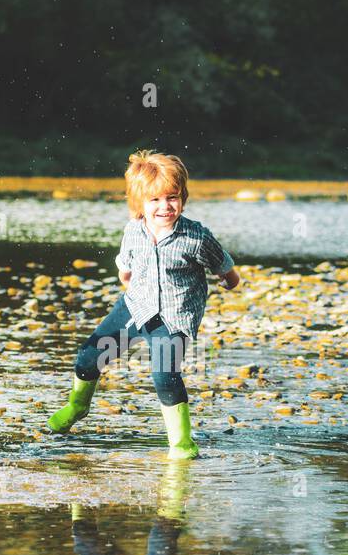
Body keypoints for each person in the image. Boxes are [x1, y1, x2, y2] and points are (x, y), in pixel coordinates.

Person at [46, 151, 241, 459]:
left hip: (173, 318)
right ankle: (76, 407)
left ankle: (182, 445)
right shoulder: (133, 230)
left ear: (183, 197)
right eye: (155, 200)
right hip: (135, 307)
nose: (165, 207)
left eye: (172, 198)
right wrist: (134, 289)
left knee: (164, 375)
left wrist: (228, 282)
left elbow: (226, 268)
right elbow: (125, 269)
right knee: (88, 358)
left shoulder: (196, 237)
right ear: (139, 203)